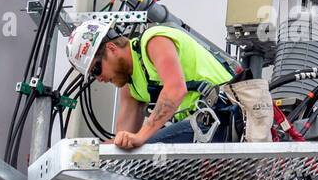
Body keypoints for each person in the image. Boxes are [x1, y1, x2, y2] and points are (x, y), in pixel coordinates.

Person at [67, 18, 239, 148]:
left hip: (226, 115)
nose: (99, 79)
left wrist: (141, 136)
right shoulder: (131, 84)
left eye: (96, 70)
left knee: (146, 157)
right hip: (203, 127)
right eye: (92, 75)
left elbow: (175, 90)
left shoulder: (154, 41)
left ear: (111, 49)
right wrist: (83, 154)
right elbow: (123, 140)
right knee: (130, 158)